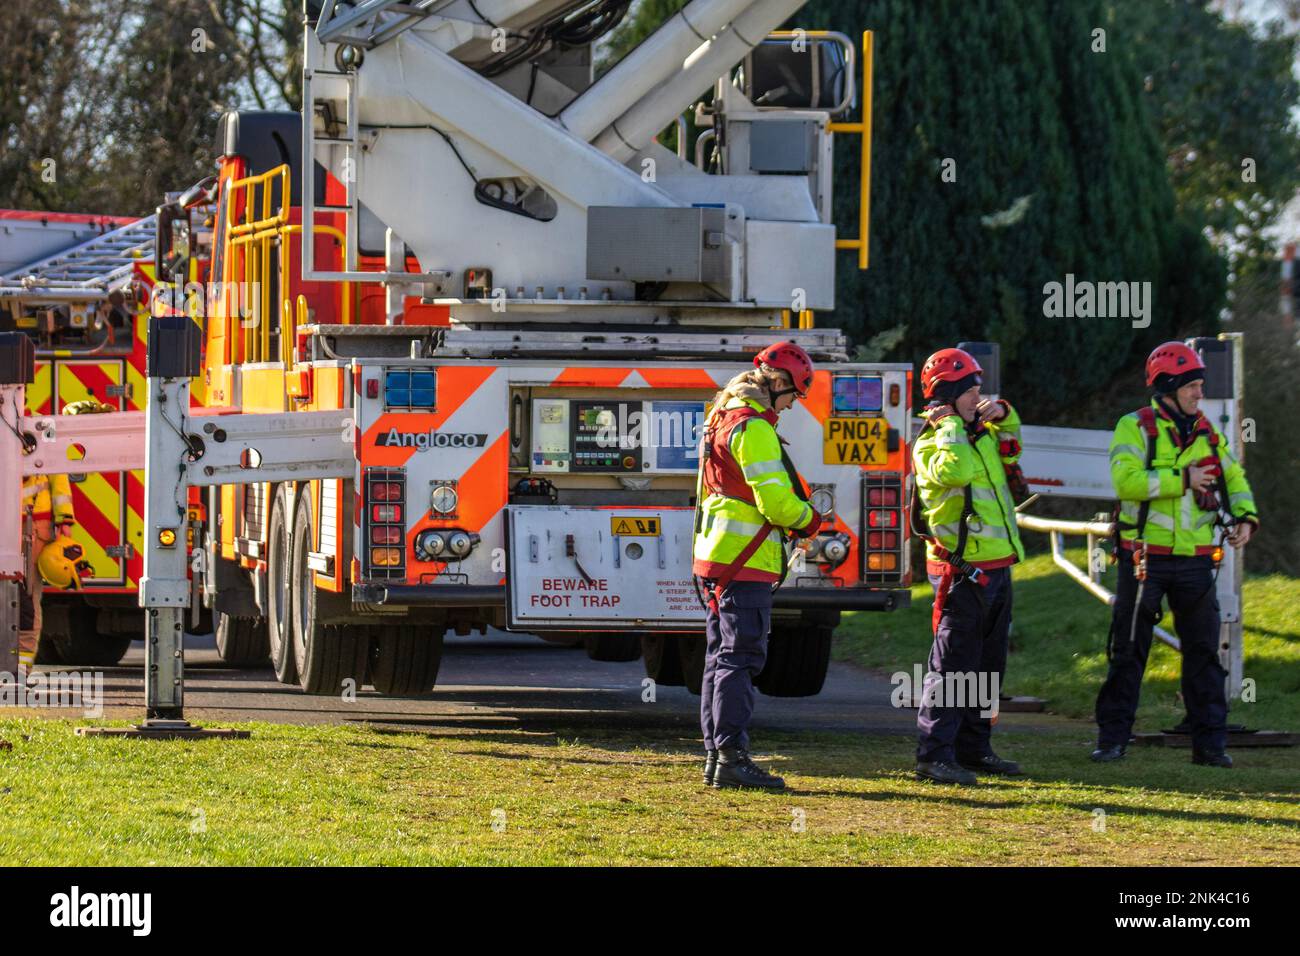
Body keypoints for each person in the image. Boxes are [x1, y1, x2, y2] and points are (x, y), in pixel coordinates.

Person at [1092, 342, 1258, 767]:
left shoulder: (1206, 430)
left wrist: (1244, 516)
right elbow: (1126, 482)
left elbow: (1233, 475)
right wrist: (1183, 478)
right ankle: (1112, 741)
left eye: (1200, 385)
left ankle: (1210, 746)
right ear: (1168, 385)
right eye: (1193, 386)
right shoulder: (1134, 426)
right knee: (1129, 652)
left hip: (1198, 560)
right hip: (1144, 559)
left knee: (1204, 654)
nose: (1199, 393)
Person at [692, 342, 822, 790]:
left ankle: (716, 755)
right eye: (794, 395)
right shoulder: (755, 427)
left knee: (720, 658)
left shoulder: (722, 416)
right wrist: (810, 520)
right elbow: (775, 503)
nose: (792, 405)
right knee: (741, 658)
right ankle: (731, 758)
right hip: (743, 563)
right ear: (778, 383)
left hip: (716, 559)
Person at [912, 347, 1025, 785]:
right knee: (952, 668)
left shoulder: (982, 436)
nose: (980, 396)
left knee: (988, 666)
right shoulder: (932, 444)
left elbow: (1014, 442)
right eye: (972, 390)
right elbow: (955, 472)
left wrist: (1003, 410)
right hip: (962, 575)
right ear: (948, 395)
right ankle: (934, 754)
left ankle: (975, 748)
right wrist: (951, 425)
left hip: (997, 568)